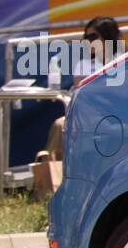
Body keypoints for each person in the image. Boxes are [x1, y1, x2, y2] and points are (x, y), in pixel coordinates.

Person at [42, 16, 121, 161]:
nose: (87, 41)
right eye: (86, 37)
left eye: (93, 36)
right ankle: (54, 177)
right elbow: (81, 95)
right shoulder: (84, 64)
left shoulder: (125, 61)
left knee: (63, 125)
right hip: (86, 116)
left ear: (108, 37)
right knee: (60, 125)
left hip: (117, 117)